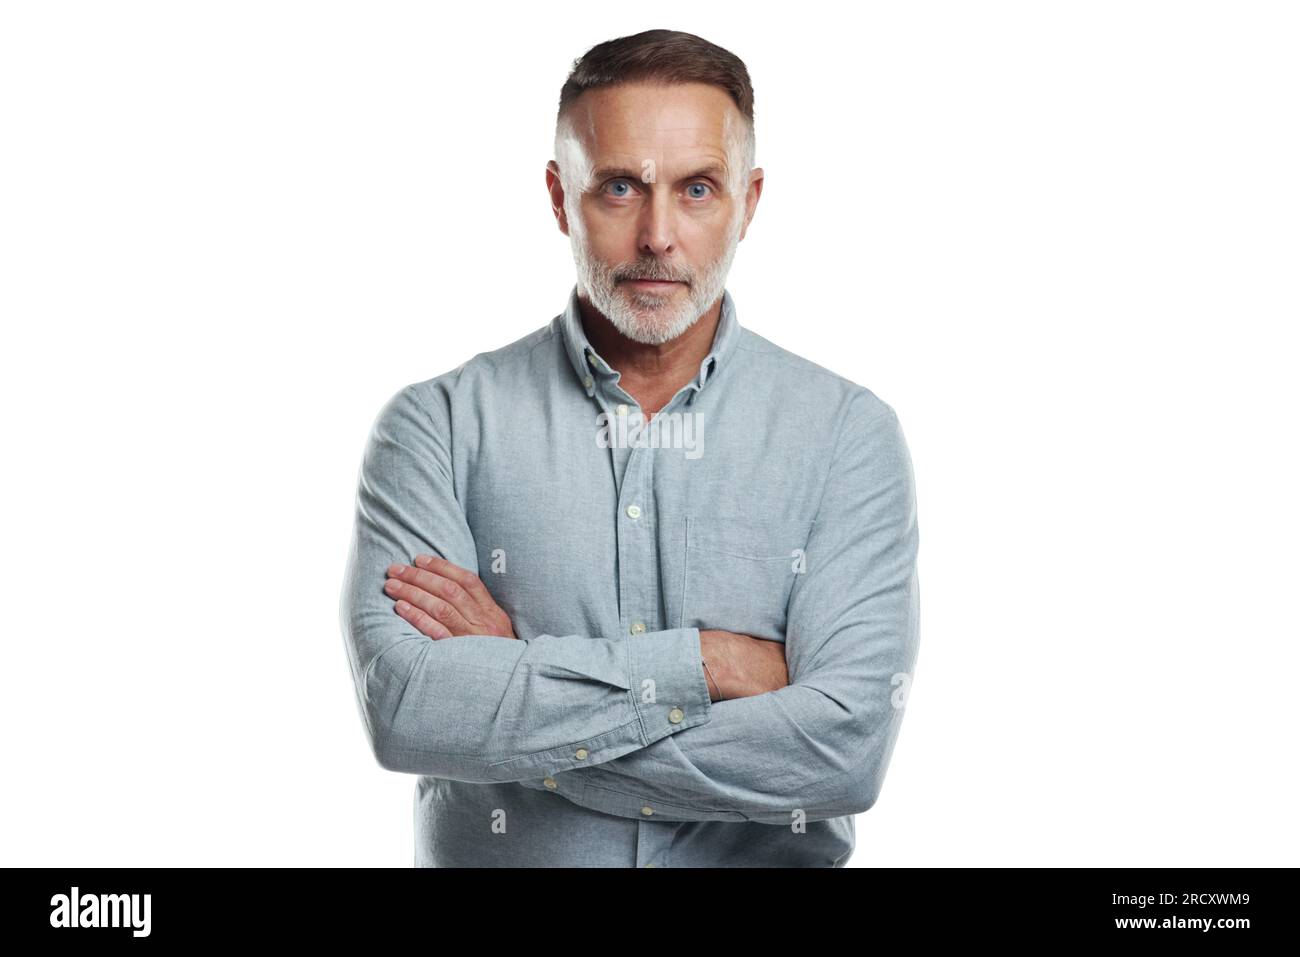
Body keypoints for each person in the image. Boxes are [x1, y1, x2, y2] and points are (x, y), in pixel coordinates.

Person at [339, 28, 920, 867]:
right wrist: (707, 663)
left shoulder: (846, 438)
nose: (657, 236)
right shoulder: (435, 426)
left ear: (748, 202)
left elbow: (842, 754)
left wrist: (518, 686)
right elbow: (410, 714)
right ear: (557, 195)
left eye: (696, 190)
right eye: (618, 187)